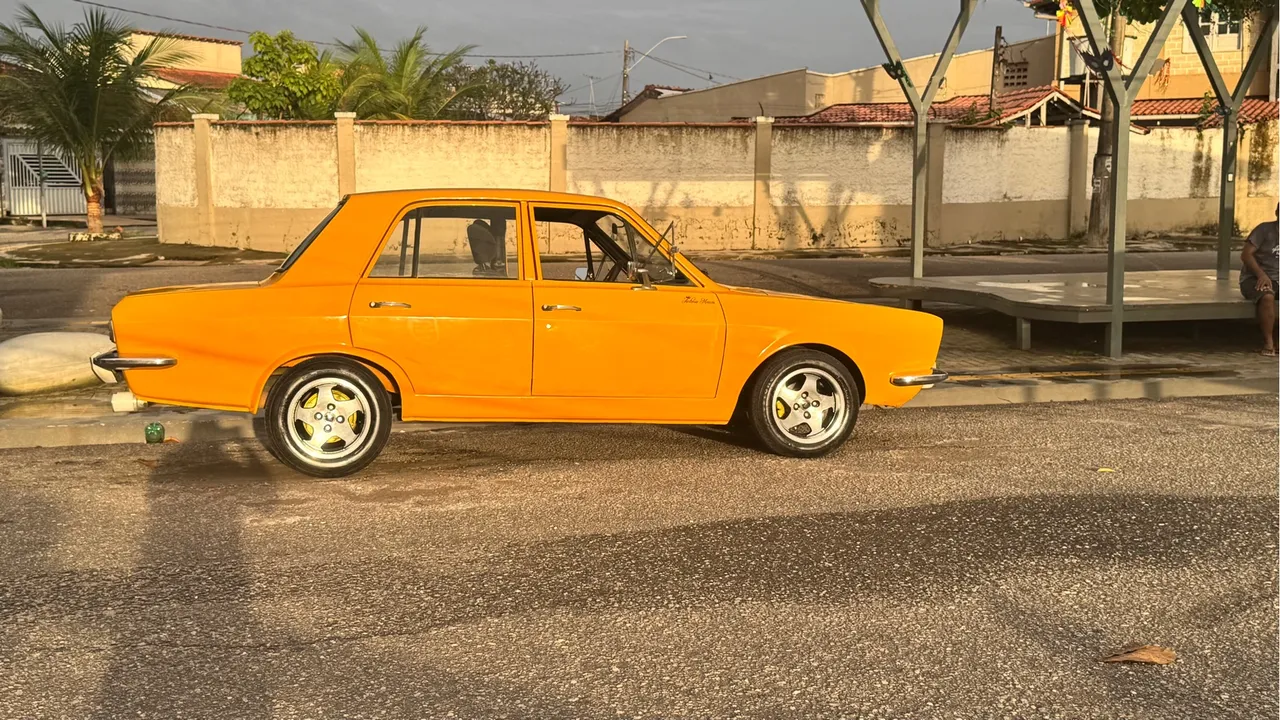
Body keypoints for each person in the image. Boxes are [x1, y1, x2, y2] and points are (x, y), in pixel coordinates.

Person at [1240, 204, 1279, 356]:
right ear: (1277, 213)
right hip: (1255, 277)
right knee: (1267, 297)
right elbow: (1246, 255)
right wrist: (1261, 274)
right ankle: (1269, 343)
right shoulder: (1264, 230)